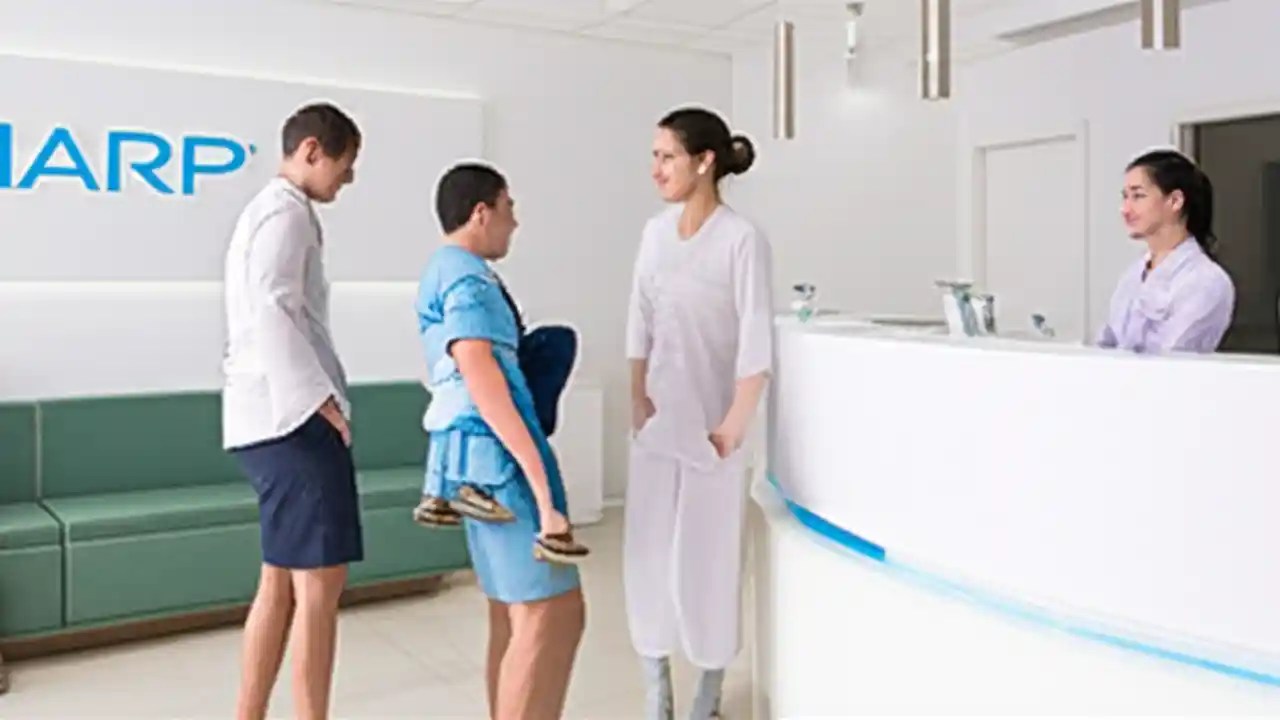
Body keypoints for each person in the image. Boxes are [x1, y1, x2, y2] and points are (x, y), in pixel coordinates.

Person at [415, 162, 587, 718]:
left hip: (466, 463)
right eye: (509, 208)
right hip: (497, 462)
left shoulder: (446, 270)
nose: (515, 221)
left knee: (511, 613)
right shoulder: (467, 279)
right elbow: (484, 382)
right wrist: (543, 493)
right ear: (481, 212)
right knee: (552, 613)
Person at [624, 107, 774, 720]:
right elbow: (639, 318)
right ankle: (656, 694)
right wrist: (637, 398)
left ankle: (706, 698)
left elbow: (756, 338)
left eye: (667, 156)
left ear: (704, 161)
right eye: (654, 155)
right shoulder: (654, 234)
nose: (655, 168)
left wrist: (733, 426)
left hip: (715, 432)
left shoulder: (742, 240)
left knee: (709, 561)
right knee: (648, 556)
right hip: (659, 427)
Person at [221, 102, 362, 720]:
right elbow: (275, 310)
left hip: (265, 421)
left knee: (279, 582)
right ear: (311, 150)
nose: (347, 180)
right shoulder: (287, 216)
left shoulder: (266, 212)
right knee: (319, 590)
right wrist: (320, 400)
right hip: (291, 422)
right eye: (345, 165)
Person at [413, 275, 580, 528]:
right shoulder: (464, 302)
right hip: (478, 386)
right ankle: (456, 489)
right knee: (470, 412)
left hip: (479, 380)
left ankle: (439, 492)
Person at [1097, 150, 1235, 353]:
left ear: (1175, 201)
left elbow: (1169, 362)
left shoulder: (1206, 281)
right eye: (1125, 197)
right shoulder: (1133, 275)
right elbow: (1105, 344)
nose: (1125, 209)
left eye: (1138, 196)